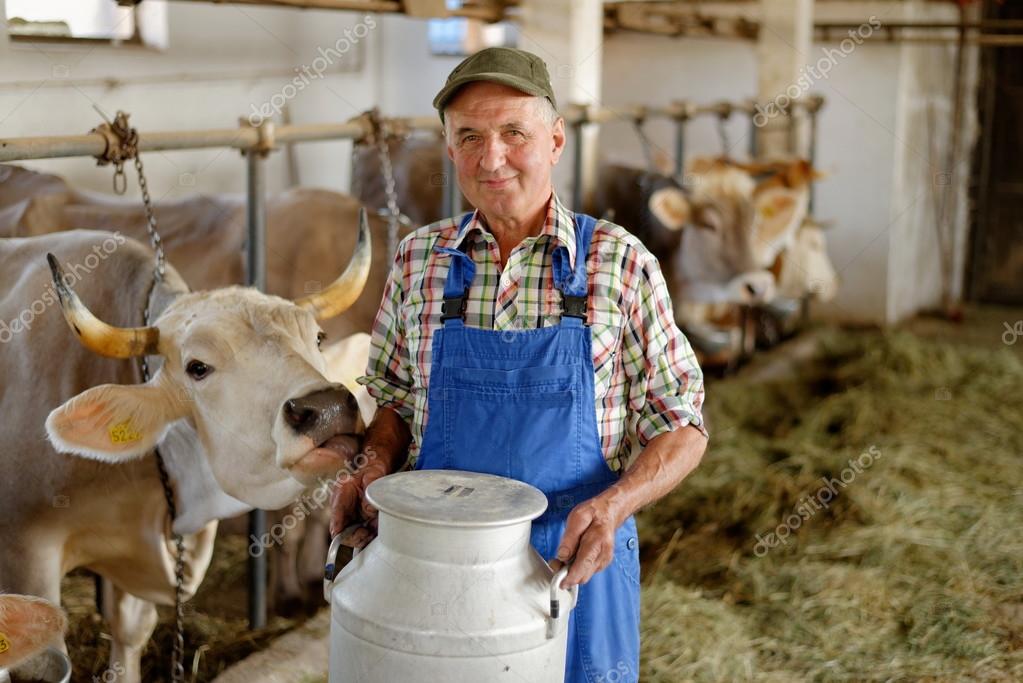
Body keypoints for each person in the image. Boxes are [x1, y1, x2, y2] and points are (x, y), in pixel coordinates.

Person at [329, 46, 708, 682]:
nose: (491, 157)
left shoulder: (618, 262)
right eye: (469, 136)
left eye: (514, 133)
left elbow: (683, 421)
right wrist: (368, 469)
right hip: (435, 568)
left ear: (556, 139)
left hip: (575, 565)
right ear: (450, 150)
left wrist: (615, 507)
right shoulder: (419, 262)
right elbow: (394, 400)